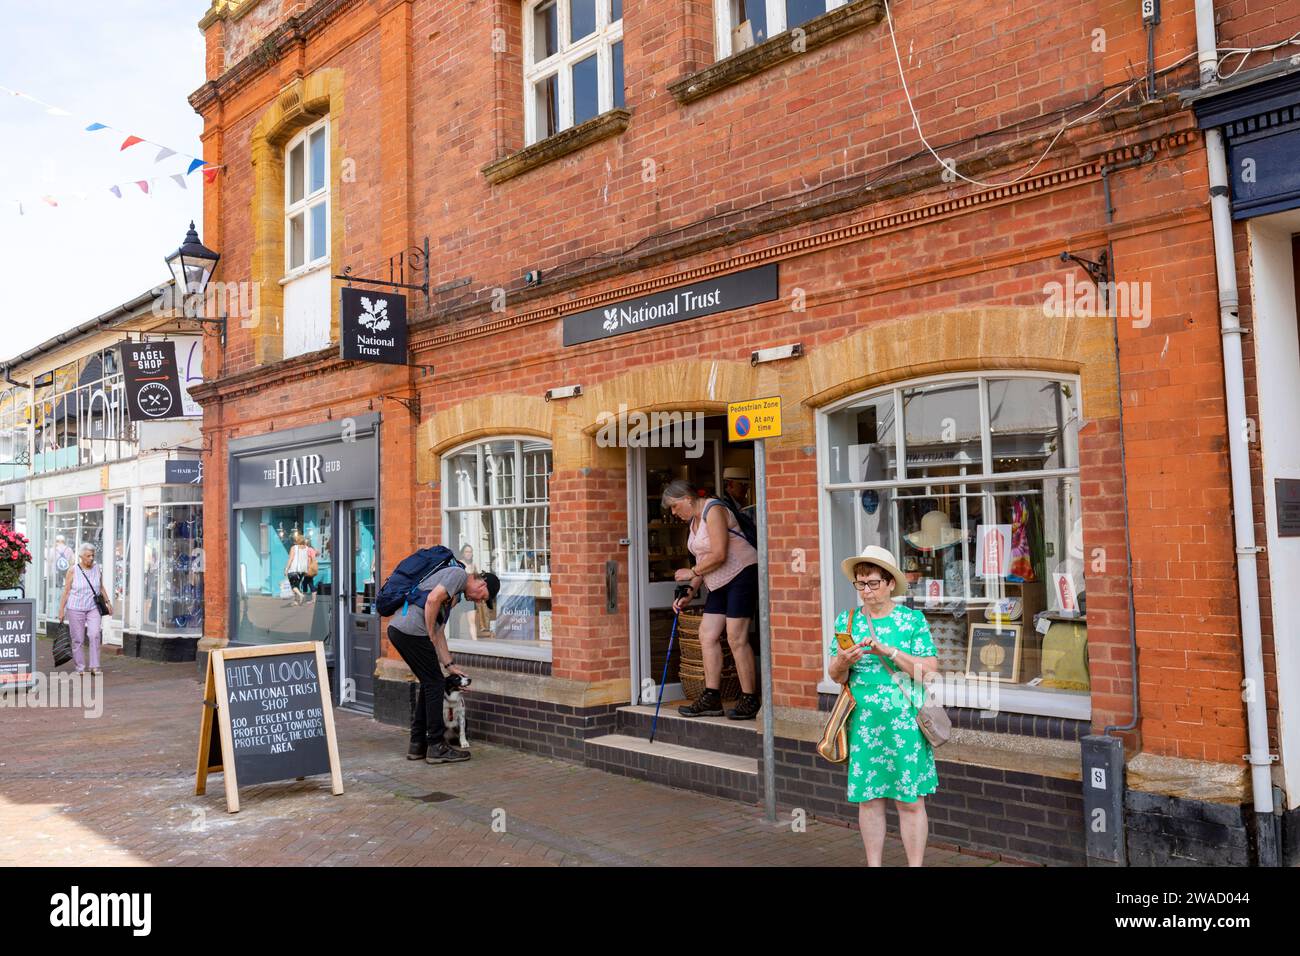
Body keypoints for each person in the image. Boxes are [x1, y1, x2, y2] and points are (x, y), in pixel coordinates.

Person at [829, 546, 940, 866]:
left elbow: (929, 672)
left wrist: (888, 652)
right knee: (869, 800)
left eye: (872, 583)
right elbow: (836, 677)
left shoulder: (911, 620)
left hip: (905, 724)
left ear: (891, 583)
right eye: (860, 584)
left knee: (909, 802)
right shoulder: (846, 620)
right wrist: (842, 662)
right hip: (863, 724)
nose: (865, 590)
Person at [663, 479, 761, 720]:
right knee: (706, 635)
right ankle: (712, 696)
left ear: (687, 499)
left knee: (736, 637)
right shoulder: (694, 522)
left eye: (675, 507)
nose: (674, 513)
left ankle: (749, 698)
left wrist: (692, 573)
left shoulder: (713, 509)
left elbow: (719, 553)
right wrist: (690, 591)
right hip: (718, 582)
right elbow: (703, 563)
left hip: (741, 575)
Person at [386, 559, 500, 763]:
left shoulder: (454, 596)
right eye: (483, 598)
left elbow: (439, 632)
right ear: (482, 585)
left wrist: (450, 665)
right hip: (411, 631)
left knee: (431, 682)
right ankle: (436, 746)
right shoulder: (458, 575)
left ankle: (417, 744)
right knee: (435, 684)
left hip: (402, 631)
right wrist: (428, 632)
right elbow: (431, 601)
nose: (480, 602)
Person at [57, 542, 112, 676]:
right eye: (88, 556)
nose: (91, 558)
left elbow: (100, 587)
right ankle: (80, 667)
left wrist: (108, 602)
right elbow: (66, 591)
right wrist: (61, 610)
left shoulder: (97, 568)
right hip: (75, 608)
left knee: (94, 635)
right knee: (78, 639)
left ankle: (94, 666)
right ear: (81, 556)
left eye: (92, 555)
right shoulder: (72, 570)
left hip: (93, 607)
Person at [284, 532, 315, 607]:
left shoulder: (294, 548)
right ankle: (296, 601)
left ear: (297, 540)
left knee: (293, 586)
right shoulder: (307, 548)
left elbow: (291, 559)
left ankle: (300, 595)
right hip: (303, 570)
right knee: (297, 585)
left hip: (294, 569)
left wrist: (286, 568)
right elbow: (308, 559)